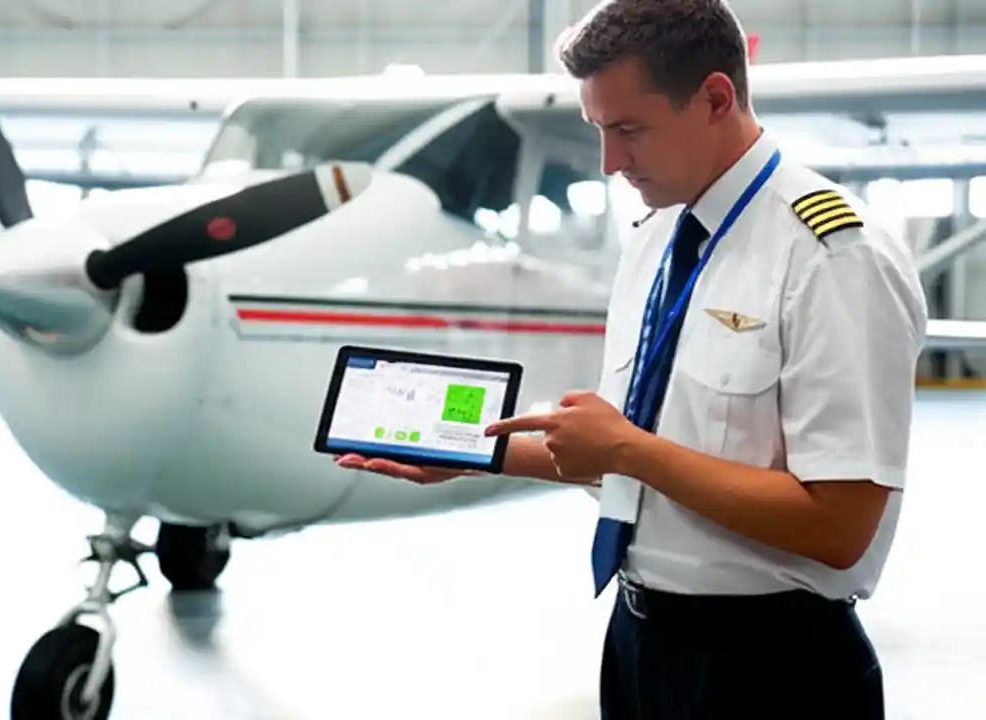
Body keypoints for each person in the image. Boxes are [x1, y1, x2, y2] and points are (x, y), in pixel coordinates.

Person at [335, 0, 929, 717]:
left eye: (629, 130)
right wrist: (474, 450)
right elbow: (629, 454)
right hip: (641, 643)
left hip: (772, 668)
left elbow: (838, 525)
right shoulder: (658, 235)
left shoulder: (831, 254)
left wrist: (630, 450)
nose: (611, 163)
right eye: (598, 132)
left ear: (715, 97)